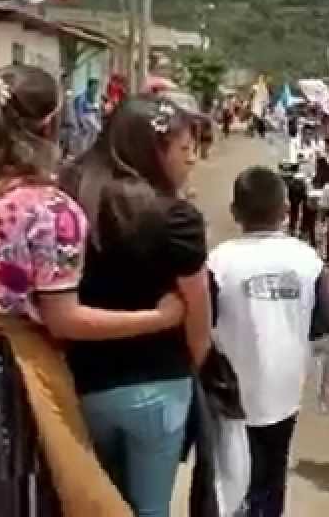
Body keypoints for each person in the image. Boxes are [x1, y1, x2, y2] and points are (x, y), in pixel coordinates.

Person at [0, 67, 186, 516]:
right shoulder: (46, 209)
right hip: (14, 377)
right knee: (25, 490)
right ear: (47, 125)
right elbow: (65, 319)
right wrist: (160, 317)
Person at [59, 95, 212, 516]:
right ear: (154, 151)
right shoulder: (176, 217)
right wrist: (197, 367)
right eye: (184, 149)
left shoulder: (70, 199)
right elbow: (197, 312)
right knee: (150, 508)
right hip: (157, 384)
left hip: (81, 383)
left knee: (92, 504)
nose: (192, 159)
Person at [209, 166, 324, 517]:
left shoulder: (218, 262)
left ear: (235, 212)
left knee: (228, 474)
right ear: (286, 211)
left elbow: (202, 321)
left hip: (229, 391)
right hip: (284, 390)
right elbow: (323, 324)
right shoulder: (307, 259)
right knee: (273, 473)